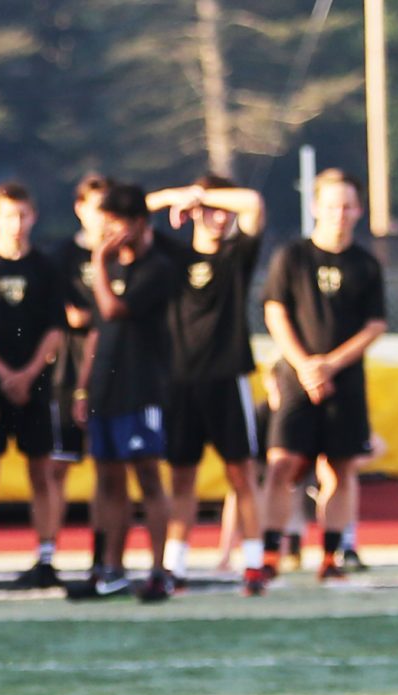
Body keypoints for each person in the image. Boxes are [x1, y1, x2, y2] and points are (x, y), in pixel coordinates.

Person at [260, 169, 387, 583]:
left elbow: (374, 325)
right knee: (282, 464)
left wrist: (330, 364)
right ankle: (269, 555)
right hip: (296, 378)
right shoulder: (292, 256)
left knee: (341, 467)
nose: (340, 213)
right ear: (315, 207)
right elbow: (275, 311)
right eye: (332, 205)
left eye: (348, 205)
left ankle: (331, 555)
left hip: (344, 380)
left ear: (359, 210)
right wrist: (304, 365)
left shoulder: (365, 264)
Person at [145, 175, 268, 593]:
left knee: (241, 474)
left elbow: (252, 201)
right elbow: (126, 219)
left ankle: (253, 564)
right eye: (209, 211)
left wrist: (202, 195)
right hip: (180, 381)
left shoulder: (237, 255)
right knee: (181, 477)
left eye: (222, 210)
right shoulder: (173, 256)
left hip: (226, 377)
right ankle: (175, 567)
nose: (219, 217)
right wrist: (172, 197)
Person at [73, 181, 178, 601]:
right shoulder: (111, 267)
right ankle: (110, 569)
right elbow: (99, 332)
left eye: (116, 223)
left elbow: (115, 309)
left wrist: (99, 260)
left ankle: (158, 569)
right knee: (107, 478)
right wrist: (84, 388)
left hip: (143, 386)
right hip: (107, 387)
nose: (108, 231)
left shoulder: (158, 267)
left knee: (148, 476)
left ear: (137, 224)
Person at [0, 182, 68, 591]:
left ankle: (46, 559)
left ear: (33, 217)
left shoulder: (45, 268)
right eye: (8, 215)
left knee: (41, 474)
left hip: (35, 385)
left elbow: (56, 329)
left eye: (23, 215)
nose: (16, 223)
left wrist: (28, 374)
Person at [55, 174, 111, 577]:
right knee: (58, 466)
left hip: (113, 372)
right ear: (80, 209)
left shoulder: (123, 254)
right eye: (95, 206)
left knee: (109, 469)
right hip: (68, 371)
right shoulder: (62, 257)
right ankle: (50, 555)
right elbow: (65, 315)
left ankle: (103, 555)